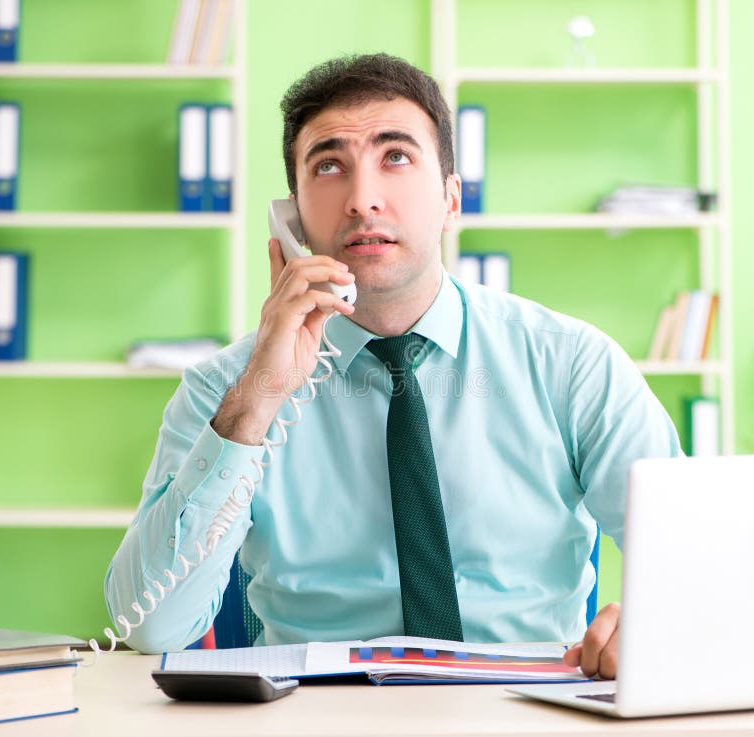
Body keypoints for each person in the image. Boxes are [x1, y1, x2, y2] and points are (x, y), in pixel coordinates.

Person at [105, 53, 680, 678]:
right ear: (292, 216)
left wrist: (656, 621)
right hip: (318, 714)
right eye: (329, 167)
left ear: (451, 199)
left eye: (396, 157)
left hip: (522, 706)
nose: (362, 199)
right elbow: (152, 626)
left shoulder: (571, 364)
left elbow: (703, 566)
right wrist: (261, 394)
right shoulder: (226, 388)